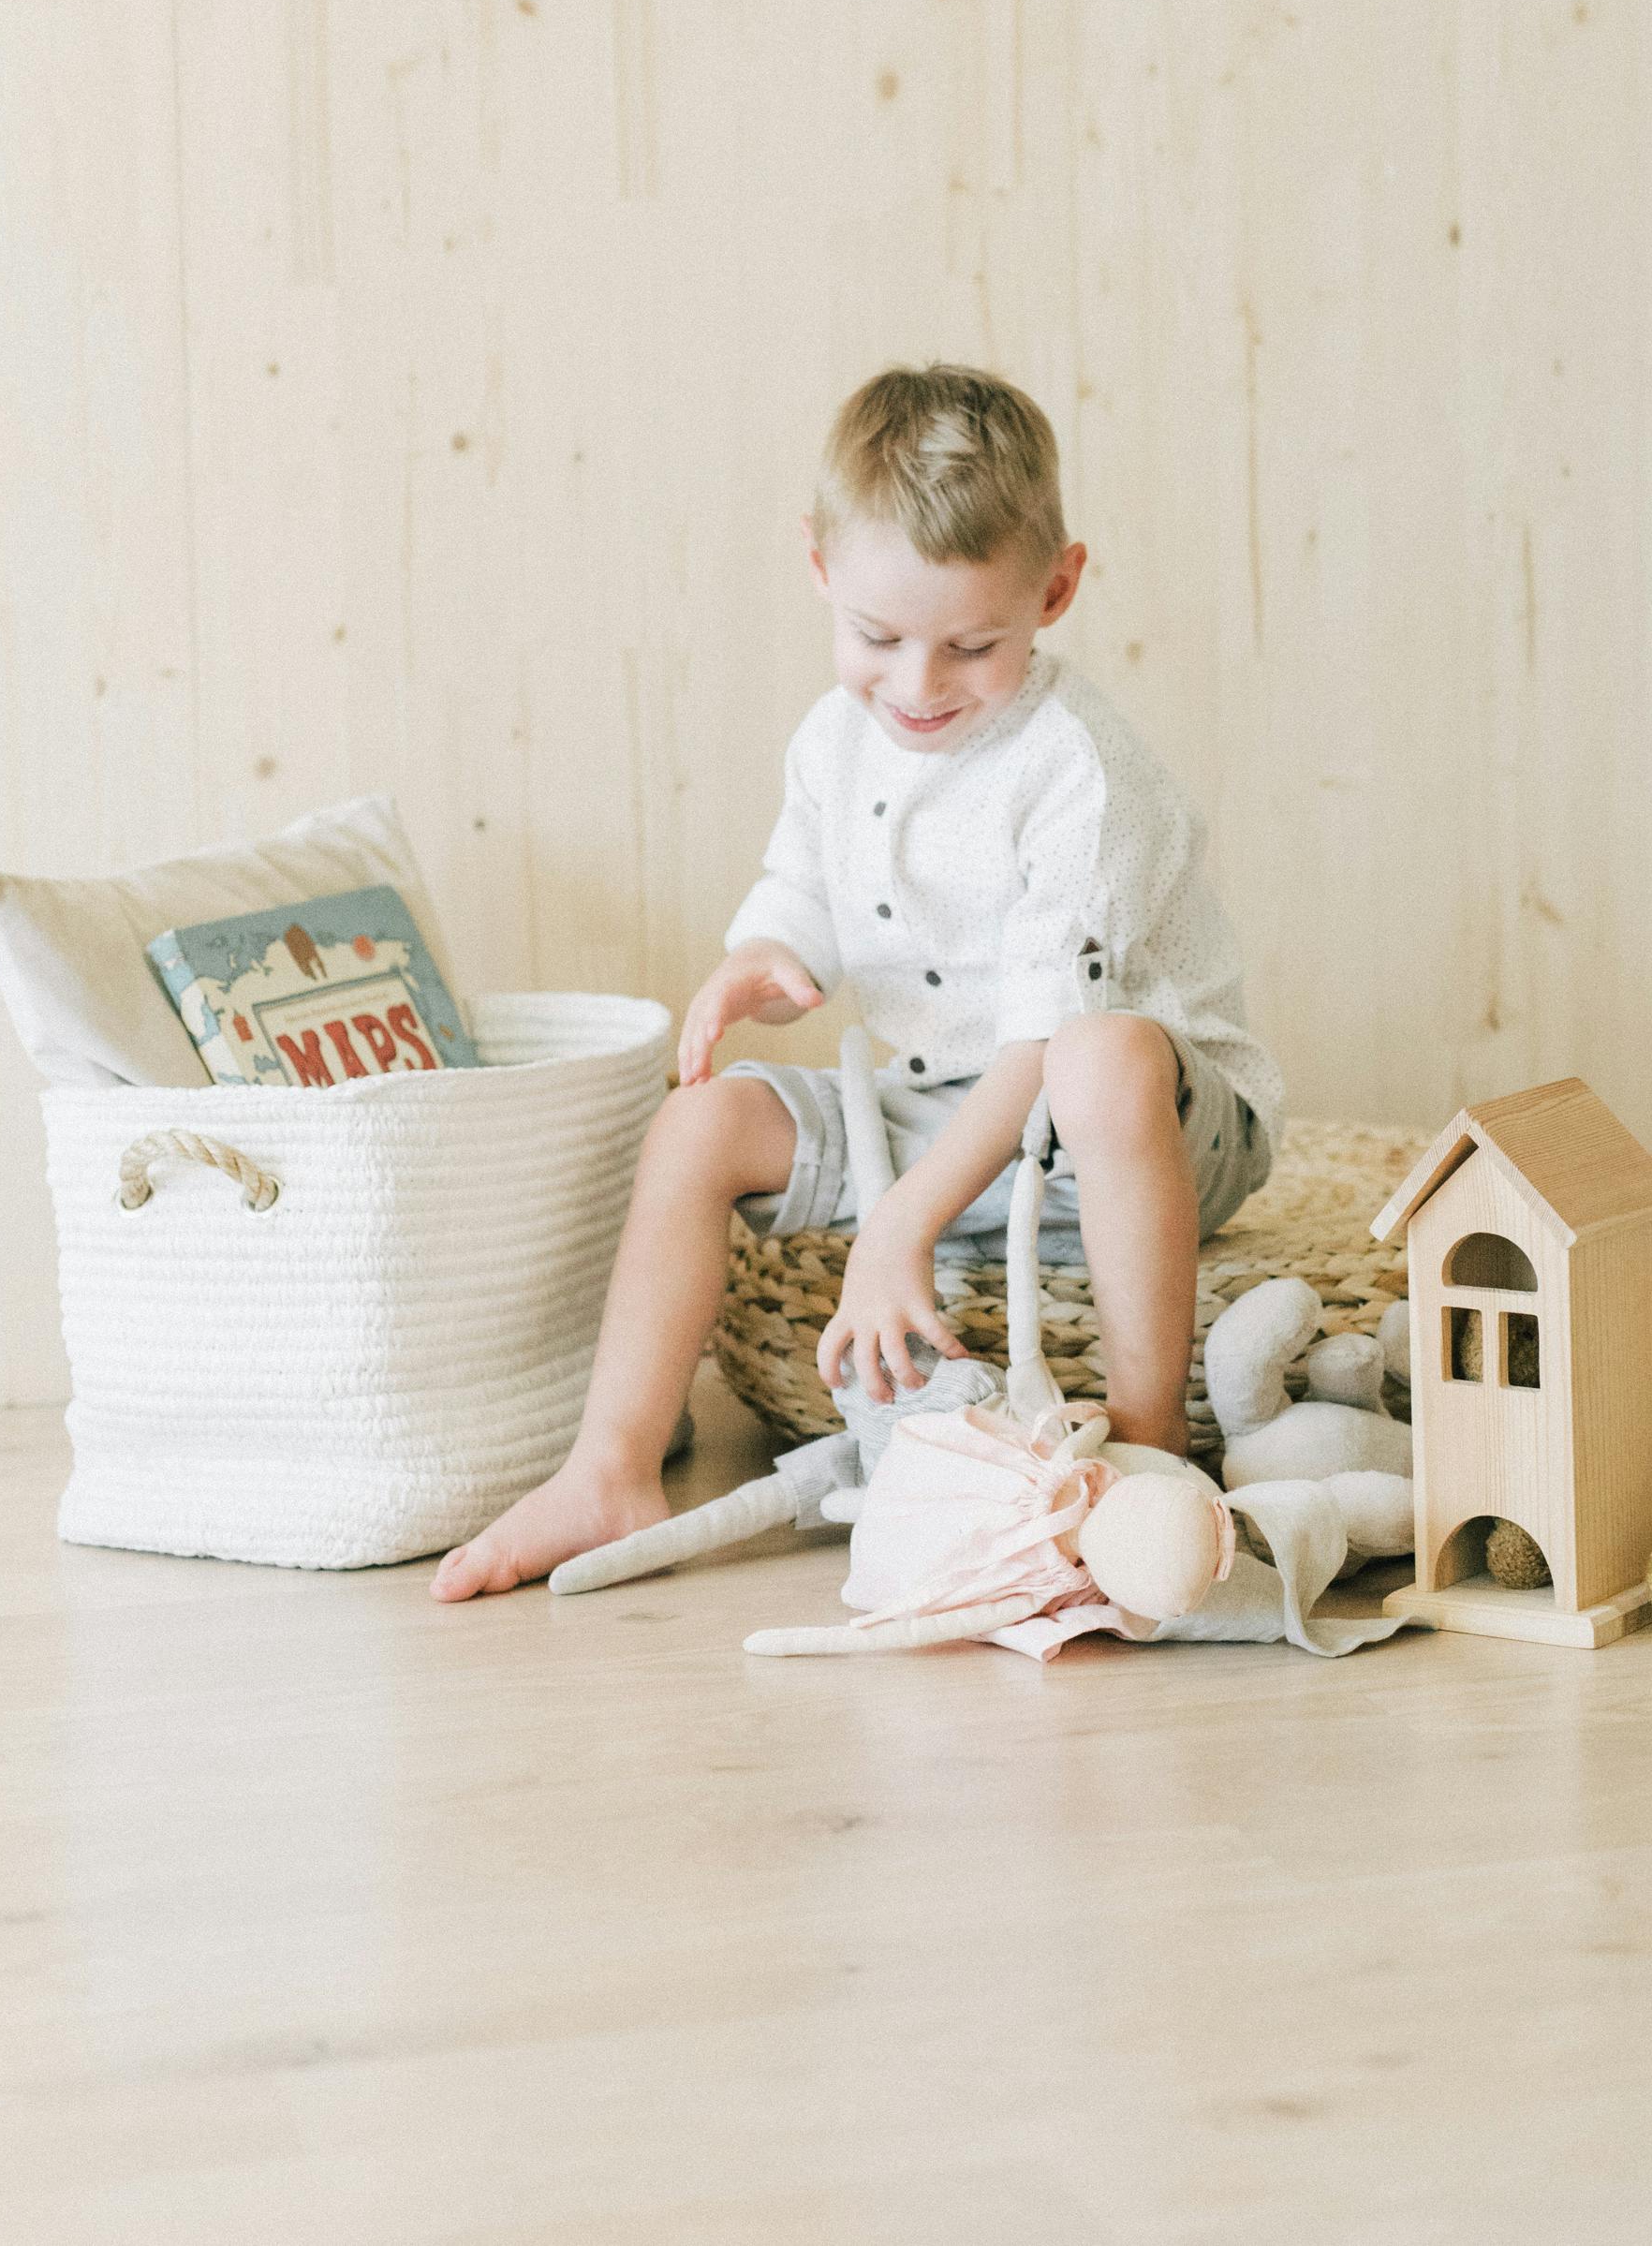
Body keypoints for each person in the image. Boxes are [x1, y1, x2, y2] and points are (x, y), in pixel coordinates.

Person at [433, 363, 1282, 1599]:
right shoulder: (834, 742)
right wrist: (765, 960)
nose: (919, 686)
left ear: (1055, 591)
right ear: (820, 567)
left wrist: (898, 1228)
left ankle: (1150, 1454)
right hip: (945, 1099)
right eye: (879, 639)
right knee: (701, 1124)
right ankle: (610, 1465)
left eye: (972, 646)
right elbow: (806, 890)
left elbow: (1044, 1039)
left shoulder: (1080, 772)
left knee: (1098, 1053)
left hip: (1145, 1121)